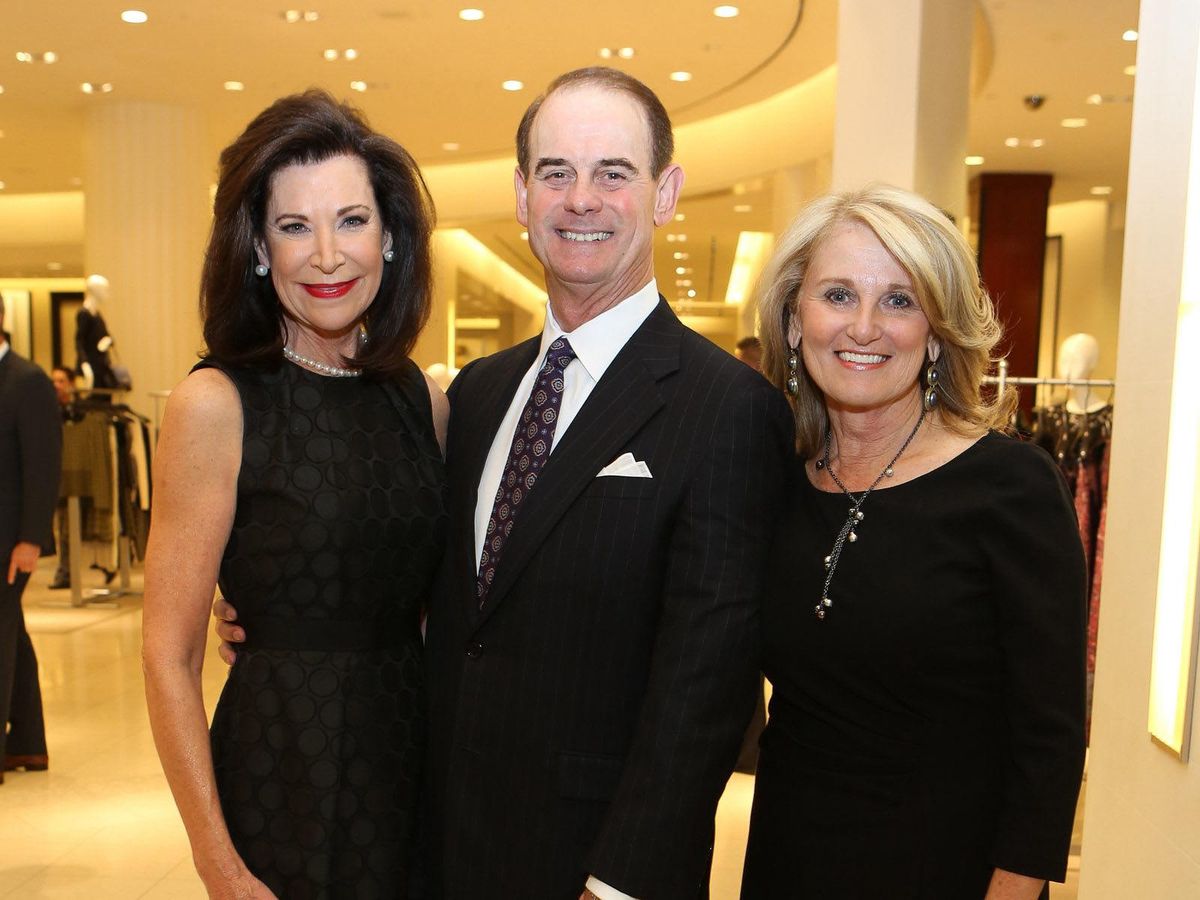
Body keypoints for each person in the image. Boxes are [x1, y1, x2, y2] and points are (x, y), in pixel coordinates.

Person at [143, 90, 448, 899]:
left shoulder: (423, 401)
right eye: (293, 226)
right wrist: (216, 860)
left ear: (390, 240)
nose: (326, 255)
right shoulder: (215, 404)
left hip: (410, 763)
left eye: (351, 221)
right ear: (255, 249)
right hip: (281, 772)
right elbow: (167, 655)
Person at [742, 184, 1087, 900]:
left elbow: (1049, 736)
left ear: (935, 331)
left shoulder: (1011, 487)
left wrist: (1016, 889)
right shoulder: (771, 480)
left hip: (951, 870)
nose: (864, 327)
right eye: (837, 295)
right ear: (794, 321)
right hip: (788, 862)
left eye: (898, 300)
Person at [0, 303, 60, 783]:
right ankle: (27, 744)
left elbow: (43, 467)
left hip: (10, 540)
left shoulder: (27, 379)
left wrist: (31, 539)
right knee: (10, 635)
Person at [49, 366, 76, 590]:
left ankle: (67, 571)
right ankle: (64, 570)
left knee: (69, 527)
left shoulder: (79, 412)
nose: (56, 385)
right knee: (62, 528)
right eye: (54, 380)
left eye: (61, 380)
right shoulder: (46, 411)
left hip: (77, 475)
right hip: (56, 477)